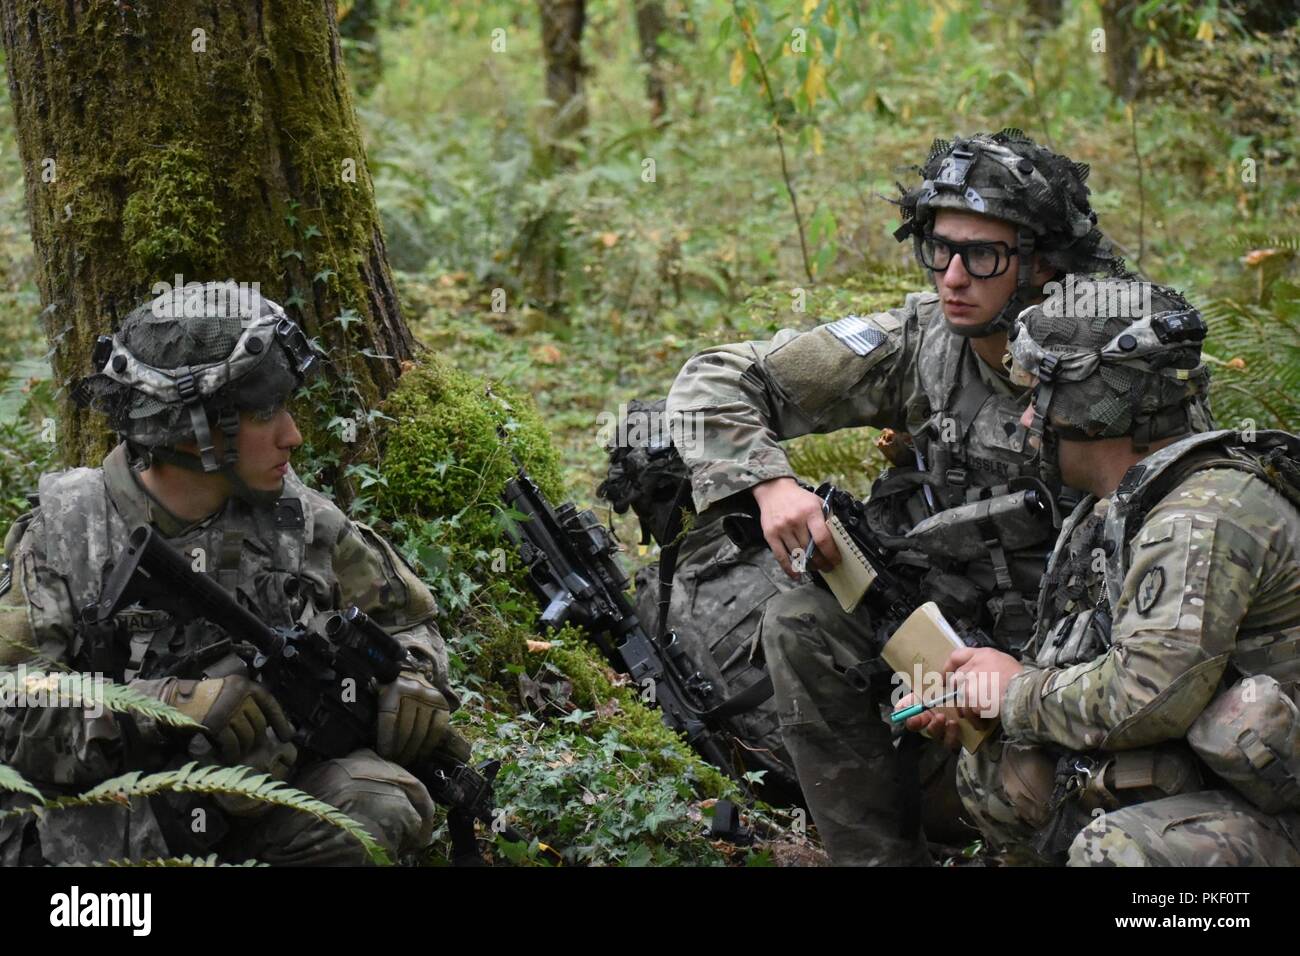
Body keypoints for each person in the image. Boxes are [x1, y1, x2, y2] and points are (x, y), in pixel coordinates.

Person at [666, 129, 1188, 865]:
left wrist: (1015, 687)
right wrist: (768, 481)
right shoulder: (923, 341)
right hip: (938, 624)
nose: (953, 276)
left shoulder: (1119, 366)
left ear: (1039, 260)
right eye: (938, 249)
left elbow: (1167, 583)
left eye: (982, 255)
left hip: (1074, 658)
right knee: (801, 623)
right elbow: (715, 379)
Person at [0, 283, 466, 866]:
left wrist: (412, 678)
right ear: (194, 426)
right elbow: (10, 707)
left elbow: (408, 621)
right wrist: (166, 706)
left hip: (258, 809)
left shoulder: (303, 520)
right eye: (264, 413)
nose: (292, 434)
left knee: (379, 806)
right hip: (111, 830)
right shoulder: (66, 535)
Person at [906, 277, 1300, 866]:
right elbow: (1077, 664)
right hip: (1221, 771)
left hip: (1279, 797)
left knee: (1114, 854)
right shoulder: (1113, 507)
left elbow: (1147, 693)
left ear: (1092, 408)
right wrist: (980, 698)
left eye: (1041, 394)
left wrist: (1012, 691)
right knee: (1002, 768)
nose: (1027, 418)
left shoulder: (1203, 515)